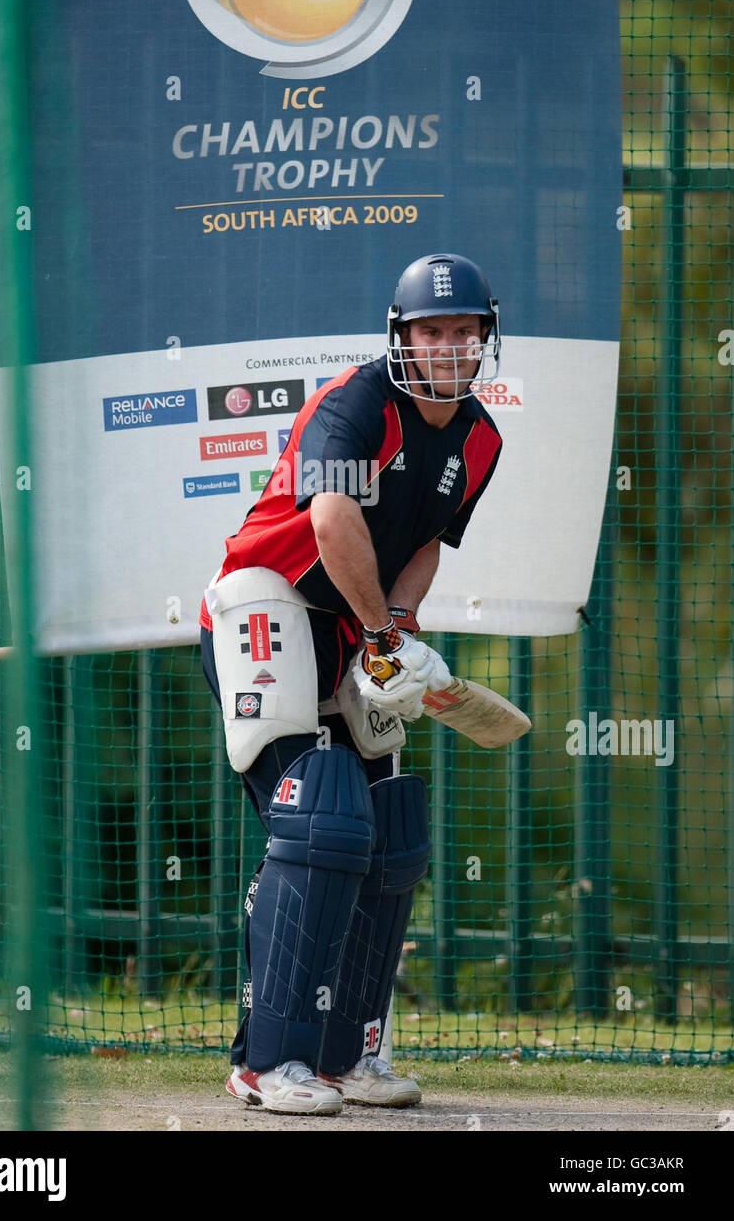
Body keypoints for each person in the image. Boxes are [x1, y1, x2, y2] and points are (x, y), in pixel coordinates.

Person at [199, 253, 503, 1115]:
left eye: (462, 331)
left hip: (354, 626)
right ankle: (267, 1065)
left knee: (391, 832)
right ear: (400, 335)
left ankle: (348, 1055)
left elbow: (425, 542)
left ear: (485, 337)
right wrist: (381, 633)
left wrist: (395, 636)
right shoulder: (357, 403)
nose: (447, 347)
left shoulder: (480, 438)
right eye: (430, 331)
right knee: (319, 813)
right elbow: (331, 520)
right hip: (270, 600)